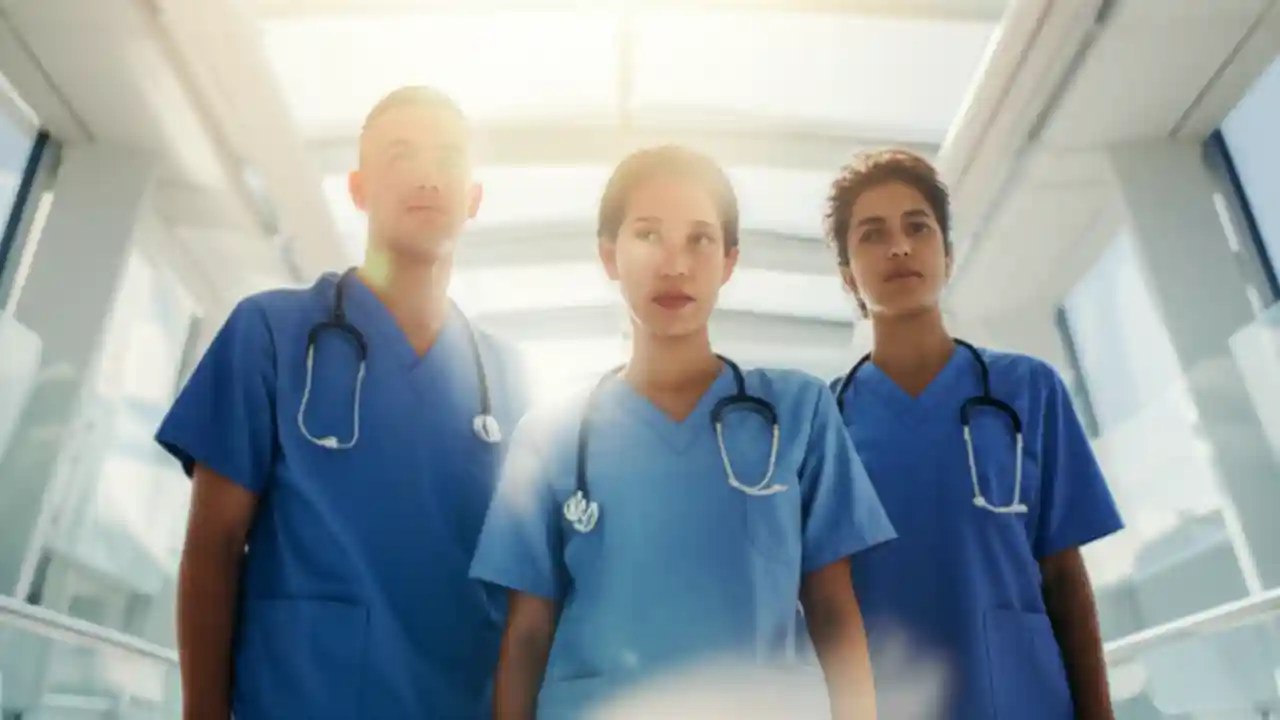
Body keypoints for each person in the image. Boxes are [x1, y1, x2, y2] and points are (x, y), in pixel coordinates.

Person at [469, 145, 896, 719]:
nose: (675, 264)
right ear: (608, 256)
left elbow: (832, 606)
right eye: (648, 236)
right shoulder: (552, 436)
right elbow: (526, 633)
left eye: (700, 239)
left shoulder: (797, 412)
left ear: (729, 261)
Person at [155, 86, 528, 719]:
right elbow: (214, 546)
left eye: (448, 158)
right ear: (358, 189)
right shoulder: (269, 334)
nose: (427, 176)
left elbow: (525, 597)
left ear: (474, 199)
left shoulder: (510, 379)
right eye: (400, 155)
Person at [824, 149, 1122, 719]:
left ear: (948, 255)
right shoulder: (824, 425)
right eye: (872, 235)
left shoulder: (1029, 390)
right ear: (848, 277)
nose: (900, 247)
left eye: (918, 227)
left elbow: (1065, 579)